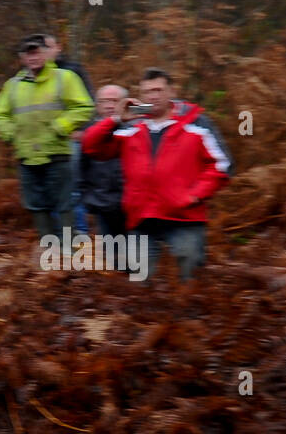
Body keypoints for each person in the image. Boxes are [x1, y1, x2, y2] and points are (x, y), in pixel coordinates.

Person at [82, 67, 232, 280]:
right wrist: (115, 119)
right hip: (141, 218)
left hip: (184, 217)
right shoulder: (131, 128)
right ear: (140, 96)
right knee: (139, 284)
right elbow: (91, 147)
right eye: (147, 92)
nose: (153, 95)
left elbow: (222, 164)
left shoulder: (196, 124)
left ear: (171, 91)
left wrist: (195, 194)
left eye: (158, 90)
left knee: (188, 282)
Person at [0, 33, 94, 238]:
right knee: (36, 204)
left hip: (57, 152)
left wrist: (60, 127)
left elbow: (84, 106)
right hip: (26, 155)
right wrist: (11, 133)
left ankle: (69, 249)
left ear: (46, 54)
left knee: (63, 202)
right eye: (28, 54)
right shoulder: (13, 85)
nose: (33, 57)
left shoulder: (65, 78)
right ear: (21, 58)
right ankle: (48, 249)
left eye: (37, 52)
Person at [44, 34, 93, 236]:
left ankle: (78, 231)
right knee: (49, 189)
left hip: (70, 139)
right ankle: (57, 233)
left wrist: (81, 129)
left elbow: (88, 102)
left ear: (58, 48)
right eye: (41, 48)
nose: (44, 52)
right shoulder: (28, 76)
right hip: (42, 143)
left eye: (48, 47)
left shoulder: (73, 71)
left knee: (72, 187)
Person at [79, 85, 129, 235]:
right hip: (102, 202)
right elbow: (81, 169)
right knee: (113, 251)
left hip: (131, 202)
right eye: (104, 101)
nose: (109, 105)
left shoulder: (136, 127)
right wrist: (86, 198)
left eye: (114, 101)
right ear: (97, 105)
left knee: (138, 253)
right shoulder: (88, 133)